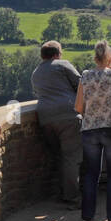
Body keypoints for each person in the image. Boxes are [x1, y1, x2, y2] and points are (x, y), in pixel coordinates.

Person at [74, 41, 111, 221]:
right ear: (109, 57)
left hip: (89, 129)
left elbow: (78, 107)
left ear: (94, 57)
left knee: (91, 174)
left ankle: (87, 216)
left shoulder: (85, 76)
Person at [30, 40, 82, 210]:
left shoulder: (36, 72)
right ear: (56, 54)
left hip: (45, 117)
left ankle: (61, 192)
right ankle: (72, 198)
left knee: (58, 156)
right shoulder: (62, 64)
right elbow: (81, 84)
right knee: (71, 157)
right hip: (68, 114)